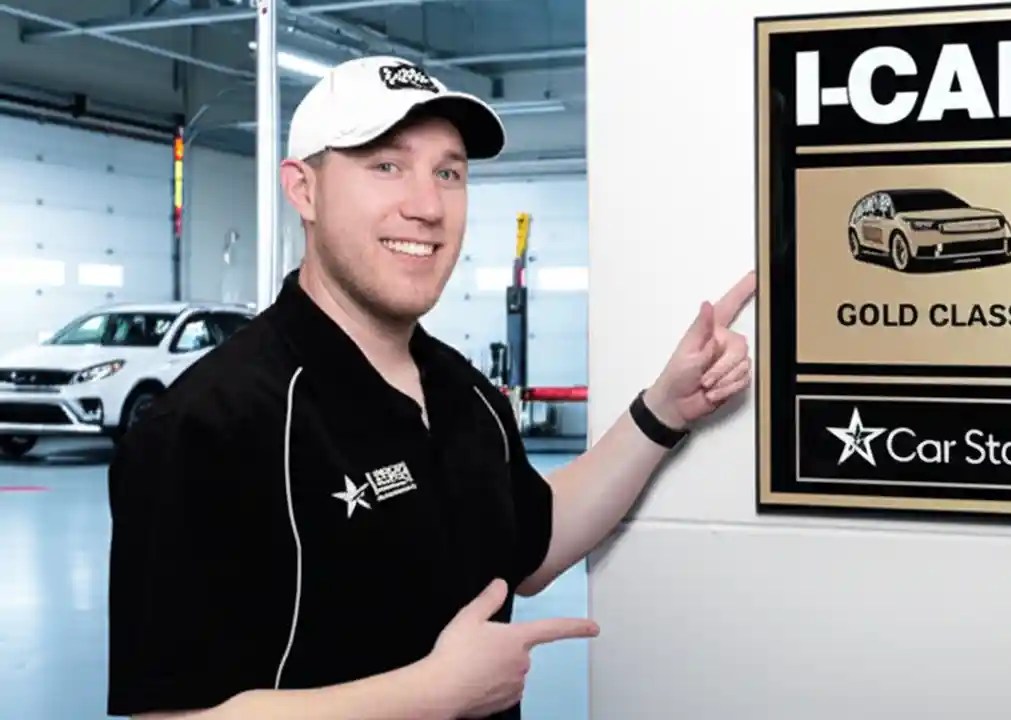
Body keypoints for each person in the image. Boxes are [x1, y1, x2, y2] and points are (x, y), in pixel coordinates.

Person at [105, 55, 755, 720]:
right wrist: (433, 695)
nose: (427, 206)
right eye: (386, 165)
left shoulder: (465, 393)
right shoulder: (206, 426)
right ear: (303, 190)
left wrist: (664, 409)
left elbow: (529, 543)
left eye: (448, 172)